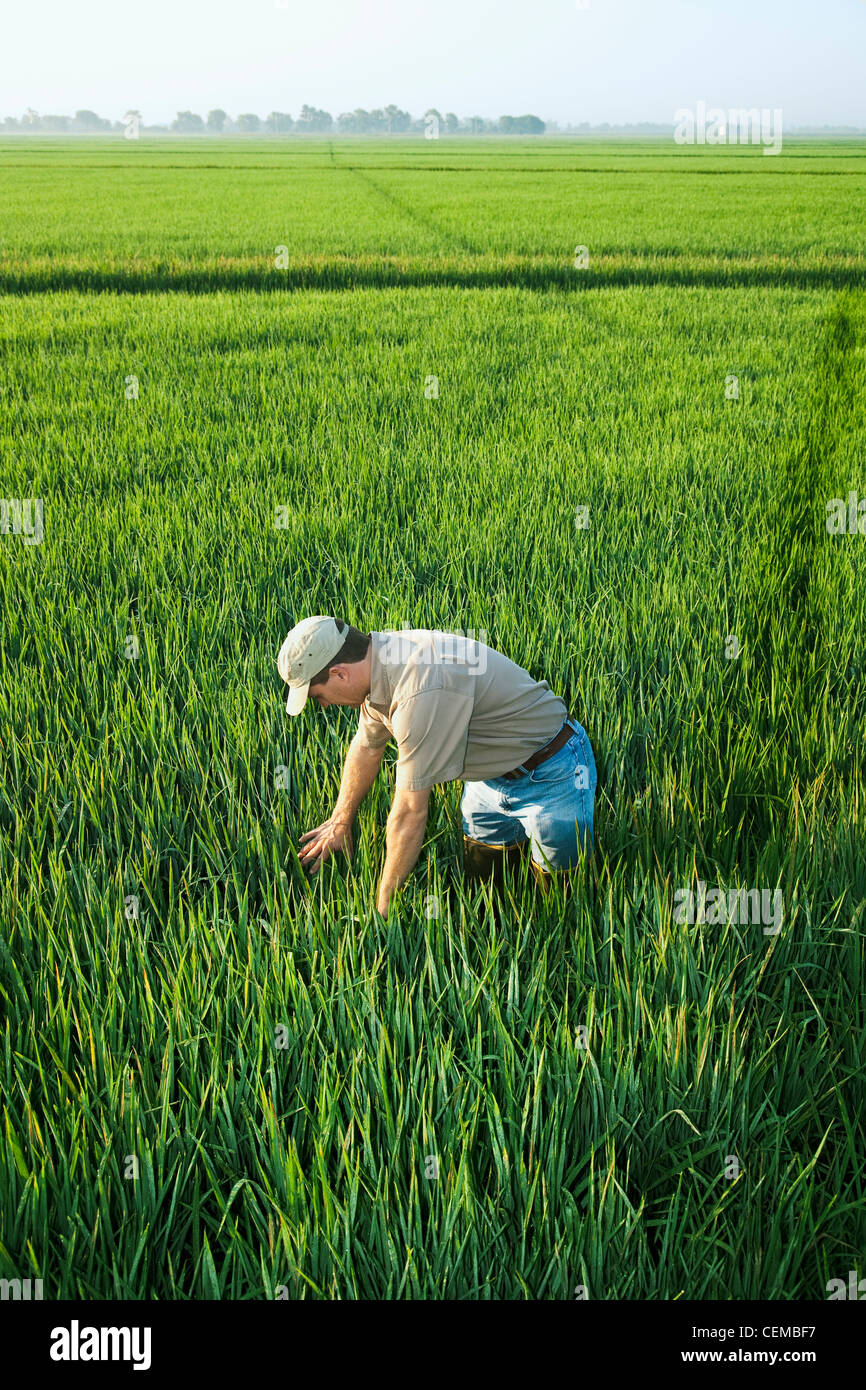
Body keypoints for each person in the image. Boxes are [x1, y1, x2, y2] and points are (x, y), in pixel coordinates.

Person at [277, 616, 597, 917]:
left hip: (552, 773)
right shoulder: (379, 669)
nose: (324, 705)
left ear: (340, 673)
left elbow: (409, 812)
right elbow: (367, 746)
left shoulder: (418, 686)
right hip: (487, 782)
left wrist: (384, 909)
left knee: (558, 899)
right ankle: (496, 936)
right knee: (486, 889)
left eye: (318, 696)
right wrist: (341, 820)